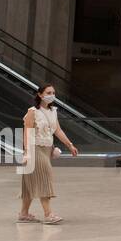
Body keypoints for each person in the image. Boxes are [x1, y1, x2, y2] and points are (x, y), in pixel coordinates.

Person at [18, 83, 78, 224]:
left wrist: (69, 145)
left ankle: (23, 213)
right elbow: (27, 133)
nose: (52, 95)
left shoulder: (53, 111)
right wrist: (27, 152)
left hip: (46, 149)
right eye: (48, 92)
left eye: (53, 93)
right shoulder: (32, 112)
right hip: (34, 149)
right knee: (45, 178)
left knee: (29, 183)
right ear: (40, 95)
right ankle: (48, 214)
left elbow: (57, 130)